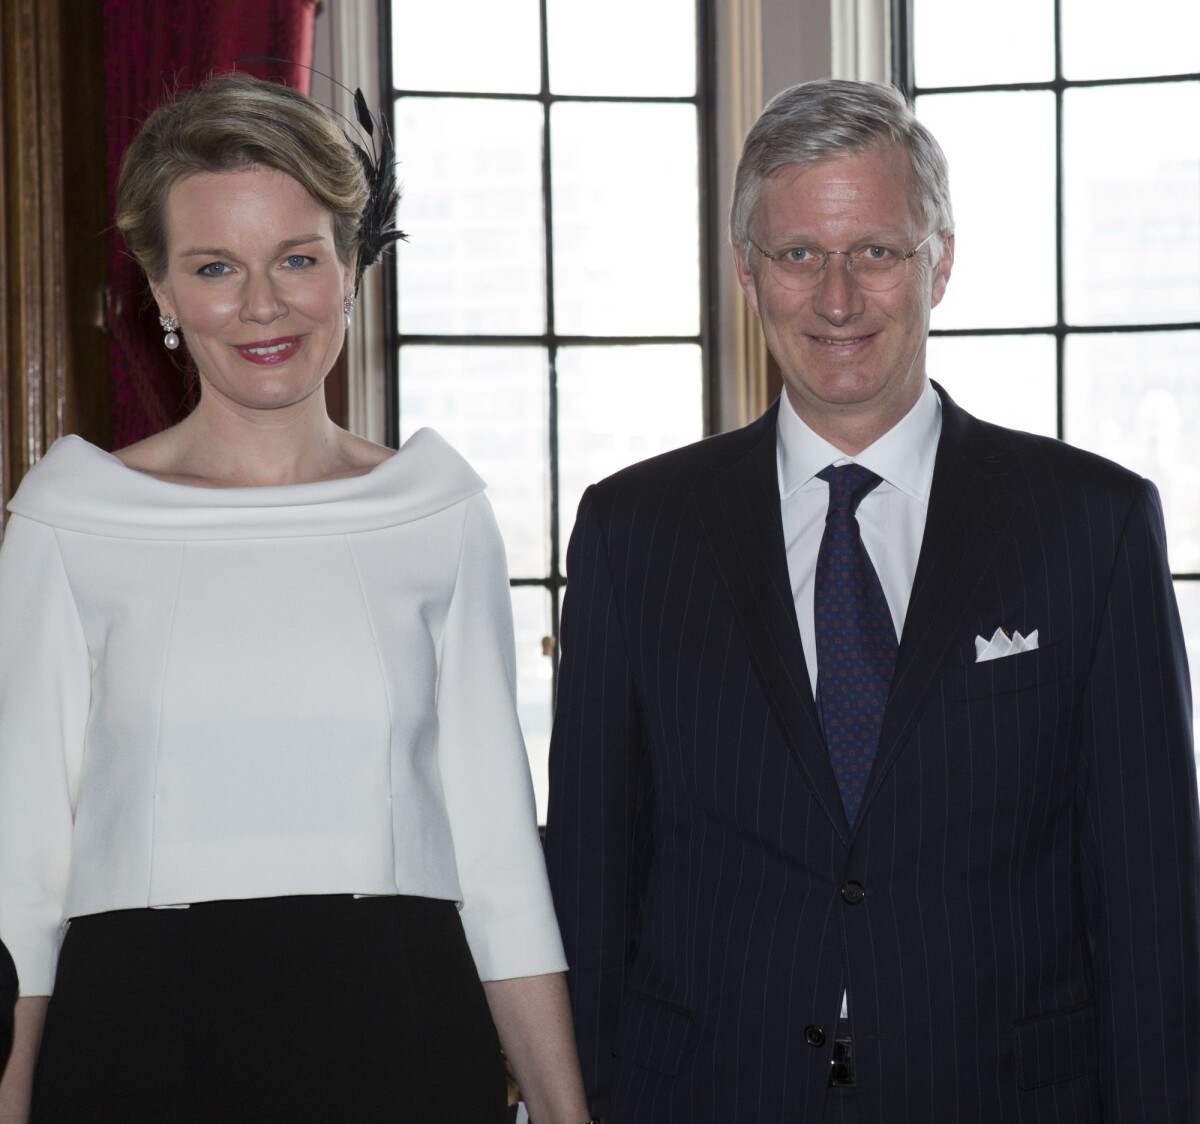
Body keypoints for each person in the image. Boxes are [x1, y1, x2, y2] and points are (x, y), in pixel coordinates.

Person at [545, 78, 1199, 1122]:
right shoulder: (633, 534)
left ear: (940, 263)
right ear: (747, 272)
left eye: (877, 252)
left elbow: (1153, 906)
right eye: (800, 254)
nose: (838, 297)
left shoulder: (1095, 527)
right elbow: (588, 881)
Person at [0, 72, 595, 1124]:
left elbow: (500, 858)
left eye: (298, 258)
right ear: (161, 291)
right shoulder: (69, 516)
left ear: (351, 267)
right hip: (137, 1038)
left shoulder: (437, 506)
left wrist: (564, 1111)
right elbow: (21, 869)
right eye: (216, 267)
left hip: (401, 1029)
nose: (263, 304)